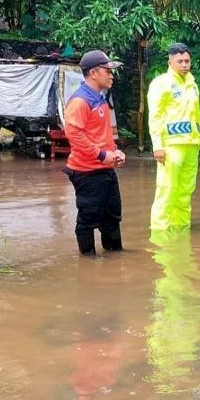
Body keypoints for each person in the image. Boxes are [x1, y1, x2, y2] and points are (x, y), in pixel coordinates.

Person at [63, 50, 126, 255]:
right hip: (87, 172)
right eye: (107, 71)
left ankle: (116, 257)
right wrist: (101, 155)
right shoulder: (80, 101)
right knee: (88, 219)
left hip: (106, 168)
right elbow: (75, 135)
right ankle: (88, 262)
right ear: (93, 73)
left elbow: (101, 134)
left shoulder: (99, 98)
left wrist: (115, 151)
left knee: (112, 217)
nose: (111, 75)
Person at [148, 43, 200, 231]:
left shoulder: (192, 84)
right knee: (167, 190)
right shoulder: (161, 83)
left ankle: (181, 229)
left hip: (191, 145)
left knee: (185, 191)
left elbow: (197, 116)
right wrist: (157, 145)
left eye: (187, 61)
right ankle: (160, 232)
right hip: (171, 147)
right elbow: (155, 116)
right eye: (180, 61)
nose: (184, 65)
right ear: (170, 61)